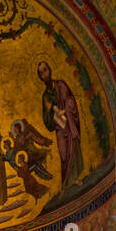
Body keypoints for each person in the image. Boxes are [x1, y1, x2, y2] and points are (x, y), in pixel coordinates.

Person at [38, 60, 82, 188]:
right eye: (41, 73)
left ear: (50, 70)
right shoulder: (45, 97)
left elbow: (70, 100)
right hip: (59, 128)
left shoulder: (61, 85)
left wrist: (65, 110)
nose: (44, 74)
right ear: (40, 77)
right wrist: (50, 110)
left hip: (69, 124)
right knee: (63, 154)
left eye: (45, 70)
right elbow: (46, 121)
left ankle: (74, 179)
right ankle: (66, 183)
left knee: (72, 150)